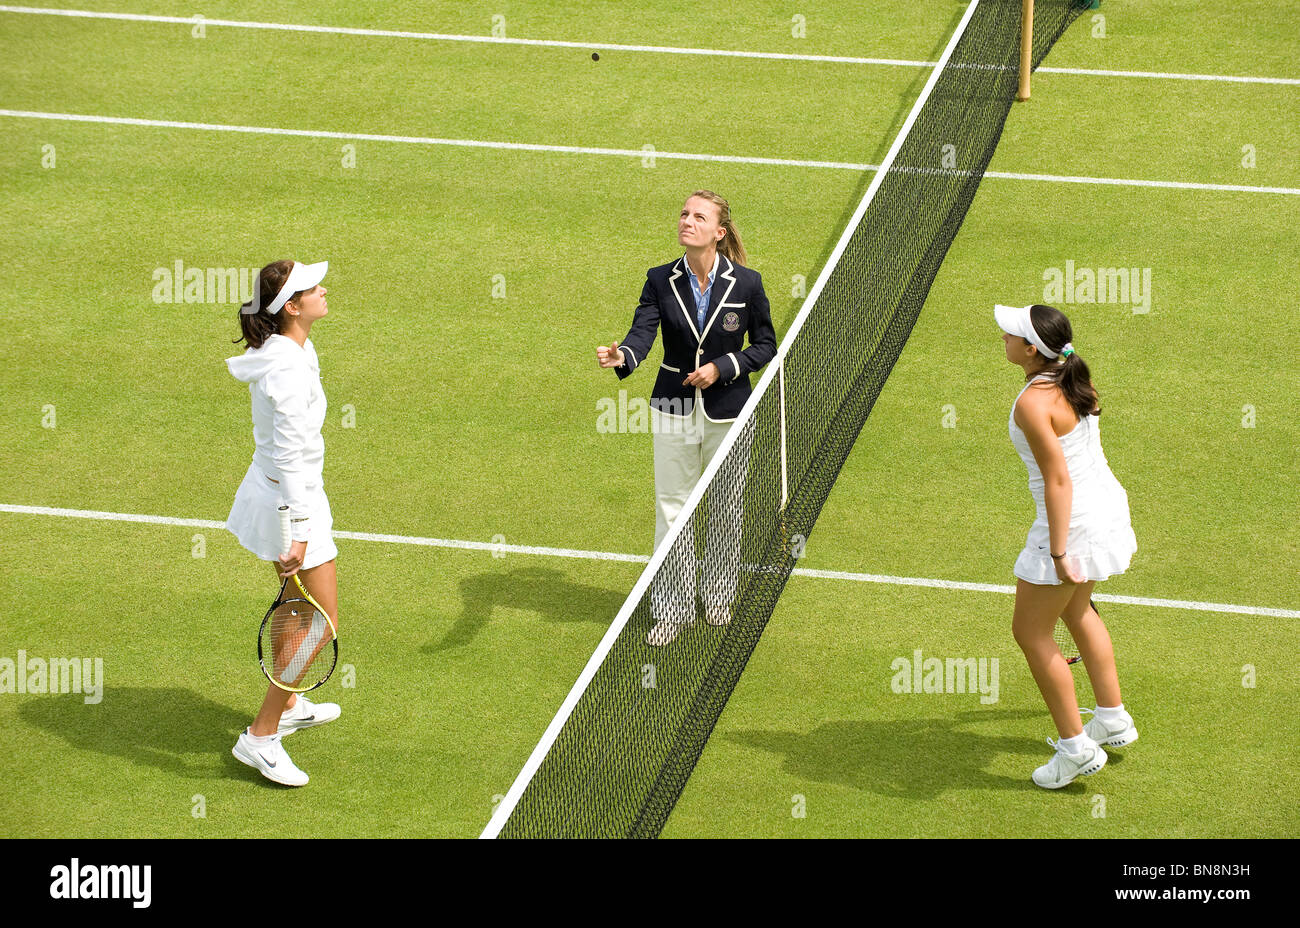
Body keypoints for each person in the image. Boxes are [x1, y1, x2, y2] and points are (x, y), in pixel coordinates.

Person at [597, 191, 776, 646]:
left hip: (729, 409)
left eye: (699, 216)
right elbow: (642, 333)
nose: (687, 221)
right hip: (674, 407)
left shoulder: (748, 284)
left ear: (719, 232)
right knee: (672, 509)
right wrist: (623, 356)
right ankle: (672, 609)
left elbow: (765, 346)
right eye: (683, 214)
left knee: (724, 505)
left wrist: (723, 367)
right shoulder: (660, 279)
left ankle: (717, 595)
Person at [996, 303, 1138, 789]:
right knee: (1078, 612)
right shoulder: (1077, 381)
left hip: (1072, 526)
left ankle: (1076, 750)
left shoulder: (1032, 404)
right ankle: (1112, 719)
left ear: (1032, 350)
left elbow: (1058, 481)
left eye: (1010, 334)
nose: (1004, 338)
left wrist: (1057, 554)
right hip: (1105, 512)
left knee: (1031, 634)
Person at [225, 259, 341, 786]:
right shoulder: (287, 370)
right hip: (291, 505)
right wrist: (298, 531)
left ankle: (290, 703)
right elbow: (292, 458)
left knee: (296, 610)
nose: (323, 291)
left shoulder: (289, 349)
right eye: (310, 289)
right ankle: (261, 736)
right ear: (291, 308)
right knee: (321, 624)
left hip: (286, 495)